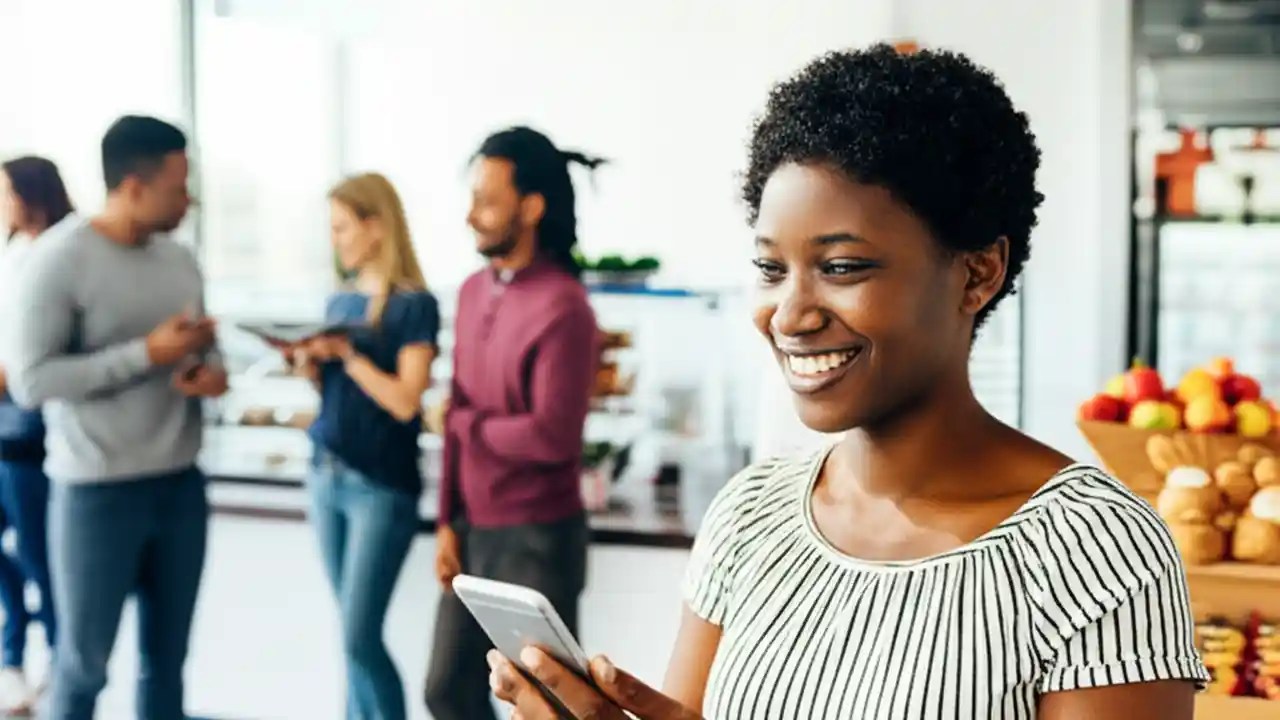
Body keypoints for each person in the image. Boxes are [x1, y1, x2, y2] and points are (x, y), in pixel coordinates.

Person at [487, 46, 1208, 720]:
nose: (789, 315)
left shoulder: (1098, 552)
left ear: (978, 272)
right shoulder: (749, 519)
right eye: (772, 269)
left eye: (841, 268)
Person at [7, 115, 226, 720]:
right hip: (96, 494)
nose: (189, 200)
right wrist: (144, 355)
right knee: (82, 669)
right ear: (133, 185)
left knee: (167, 666)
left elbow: (208, 353)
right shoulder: (56, 260)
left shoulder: (180, 260)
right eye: (178, 188)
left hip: (180, 487)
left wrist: (208, 374)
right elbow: (31, 381)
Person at [423, 127, 603, 720]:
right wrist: (447, 523)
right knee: (447, 692)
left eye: (488, 200)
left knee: (545, 706)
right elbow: (455, 415)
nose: (472, 215)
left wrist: (468, 424)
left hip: (537, 539)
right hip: (474, 532)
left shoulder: (565, 305)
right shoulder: (473, 291)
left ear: (531, 208)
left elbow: (551, 437)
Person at [291, 172, 439, 720]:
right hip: (325, 472)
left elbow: (405, 402)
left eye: (342, 227)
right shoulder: (340, 301)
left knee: (359, 636)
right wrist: (313, 364)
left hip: (379, 486)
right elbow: (339, 397)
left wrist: (350, 358)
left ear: (375, 227)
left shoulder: (413, 306)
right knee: (348, 636)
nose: (337, 239)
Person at [0, 156, 73, 713]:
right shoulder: (11, 253)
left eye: (5, 193)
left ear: (32, 194)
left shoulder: (60, 255)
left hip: (32, 435)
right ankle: (13, 650)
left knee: (39, 551)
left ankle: (57, 650)